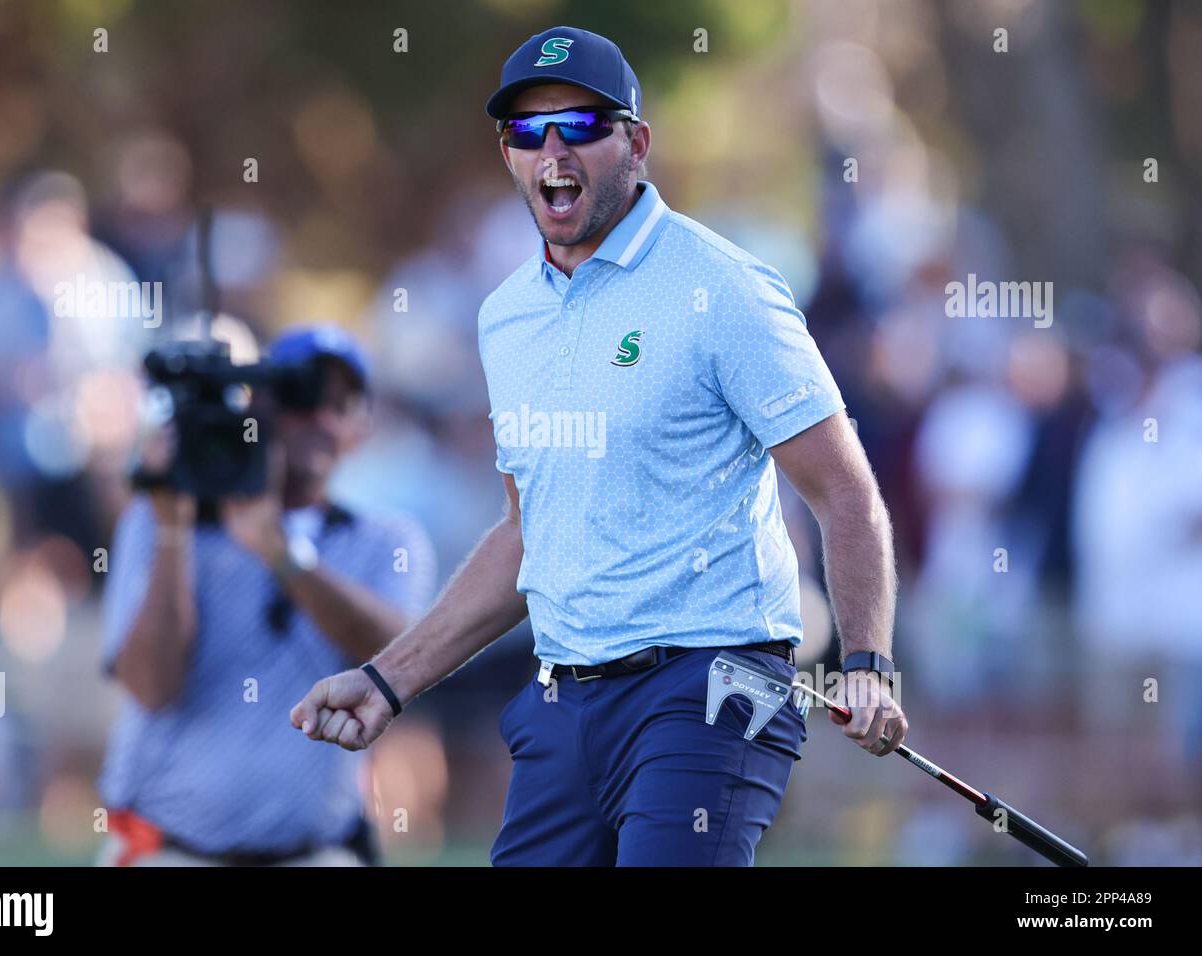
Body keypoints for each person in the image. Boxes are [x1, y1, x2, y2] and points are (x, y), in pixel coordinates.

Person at [292, 26, 907, 866]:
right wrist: (388, 679)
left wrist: (867, 660)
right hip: (564, 700)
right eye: (526, 131)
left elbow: (844, 492)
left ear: (637, 144)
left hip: (713, 687)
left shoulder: (721, 286)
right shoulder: (506, 317)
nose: (553, 150)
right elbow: (525, 536)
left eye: (581, 125)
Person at [97, 325, 435, 866]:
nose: (322, 421)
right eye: (303, 400)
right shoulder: (158, 522)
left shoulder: (385, 541)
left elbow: (397, 659)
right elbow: (151, 686)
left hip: (313, 854)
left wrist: (282, 554)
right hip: (168, 851)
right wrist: (173, 530)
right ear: (260, 409)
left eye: (342, 406)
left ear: (362, 428)